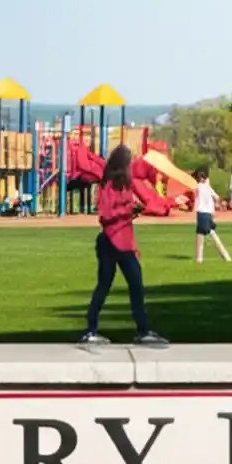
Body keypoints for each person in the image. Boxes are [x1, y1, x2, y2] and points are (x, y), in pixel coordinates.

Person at [80, 146, 176, 348]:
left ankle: (97, 329)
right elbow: (107, 216)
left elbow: (131, 212)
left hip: (118, 242)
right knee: (125, 286)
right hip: (113, 242)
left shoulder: (122, 184)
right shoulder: (112, 185)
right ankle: (131, 330)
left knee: (119, 286)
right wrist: (130, 210)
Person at [193, 169, 232, 263]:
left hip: (202, 213)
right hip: (209, 214)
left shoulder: (199, 187)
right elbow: (217, 198)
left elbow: (195, 197)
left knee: (206, 234)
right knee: (204, 233)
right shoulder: (208, 188)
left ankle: (224, 255)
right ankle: (200, 258)